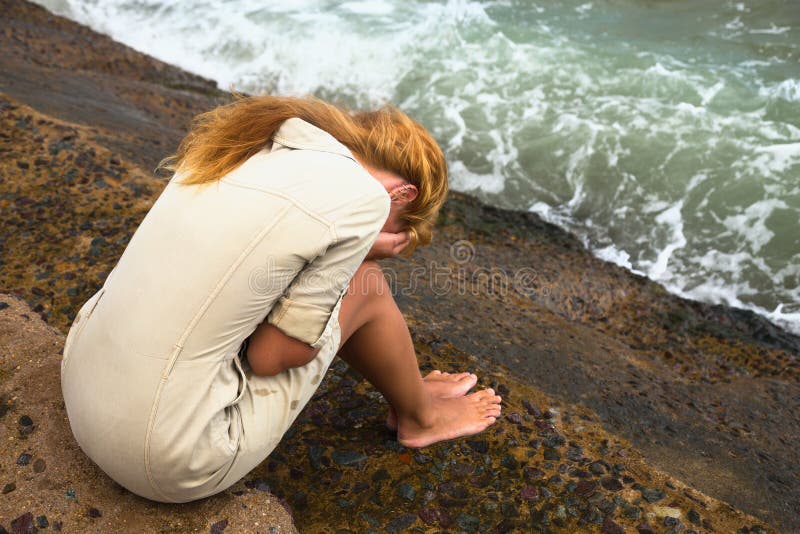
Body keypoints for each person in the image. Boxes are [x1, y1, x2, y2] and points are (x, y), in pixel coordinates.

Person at [60, 95, 502, 504]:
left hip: (82, 383)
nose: (387, 236)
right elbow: (272, 357)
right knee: (365, 282)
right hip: (161, 456)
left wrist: (353, 247)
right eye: (398, 228)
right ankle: (420, 417)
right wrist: (357, 254)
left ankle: (409, 389)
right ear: (403, 194)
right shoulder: (363, 198)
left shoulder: (252, 144)